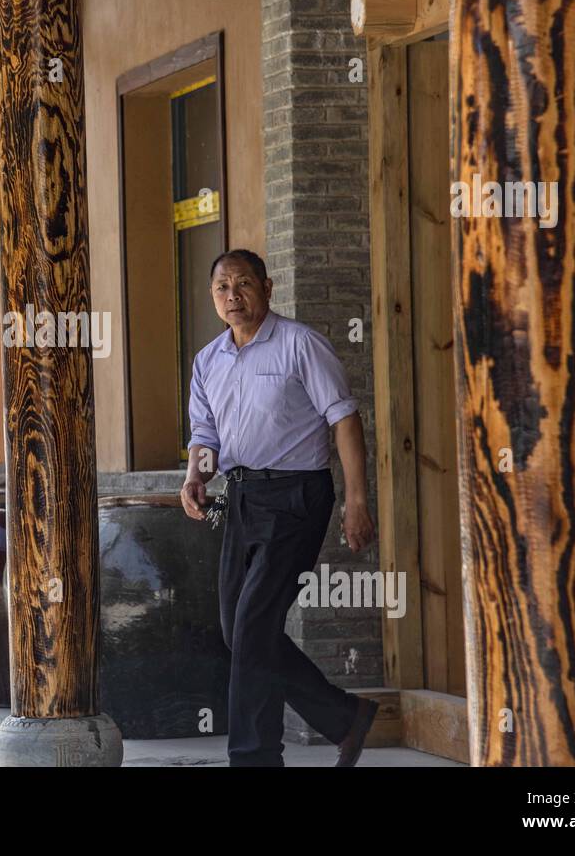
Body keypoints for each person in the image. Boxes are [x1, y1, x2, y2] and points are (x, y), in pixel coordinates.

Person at [180, 248, 380, 767]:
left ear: (268, 288)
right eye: (223, 287)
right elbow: (205, 434)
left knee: (251, 629)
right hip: (241, 496)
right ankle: (344, 717)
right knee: (240, 631)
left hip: (297, 496)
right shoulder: (208, 360)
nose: (233, 296)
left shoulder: (299, 344)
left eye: (244, 284)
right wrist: (196, 475)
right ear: (212, 296)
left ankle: (254, 758)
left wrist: (357, 501)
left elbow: (344, 420)